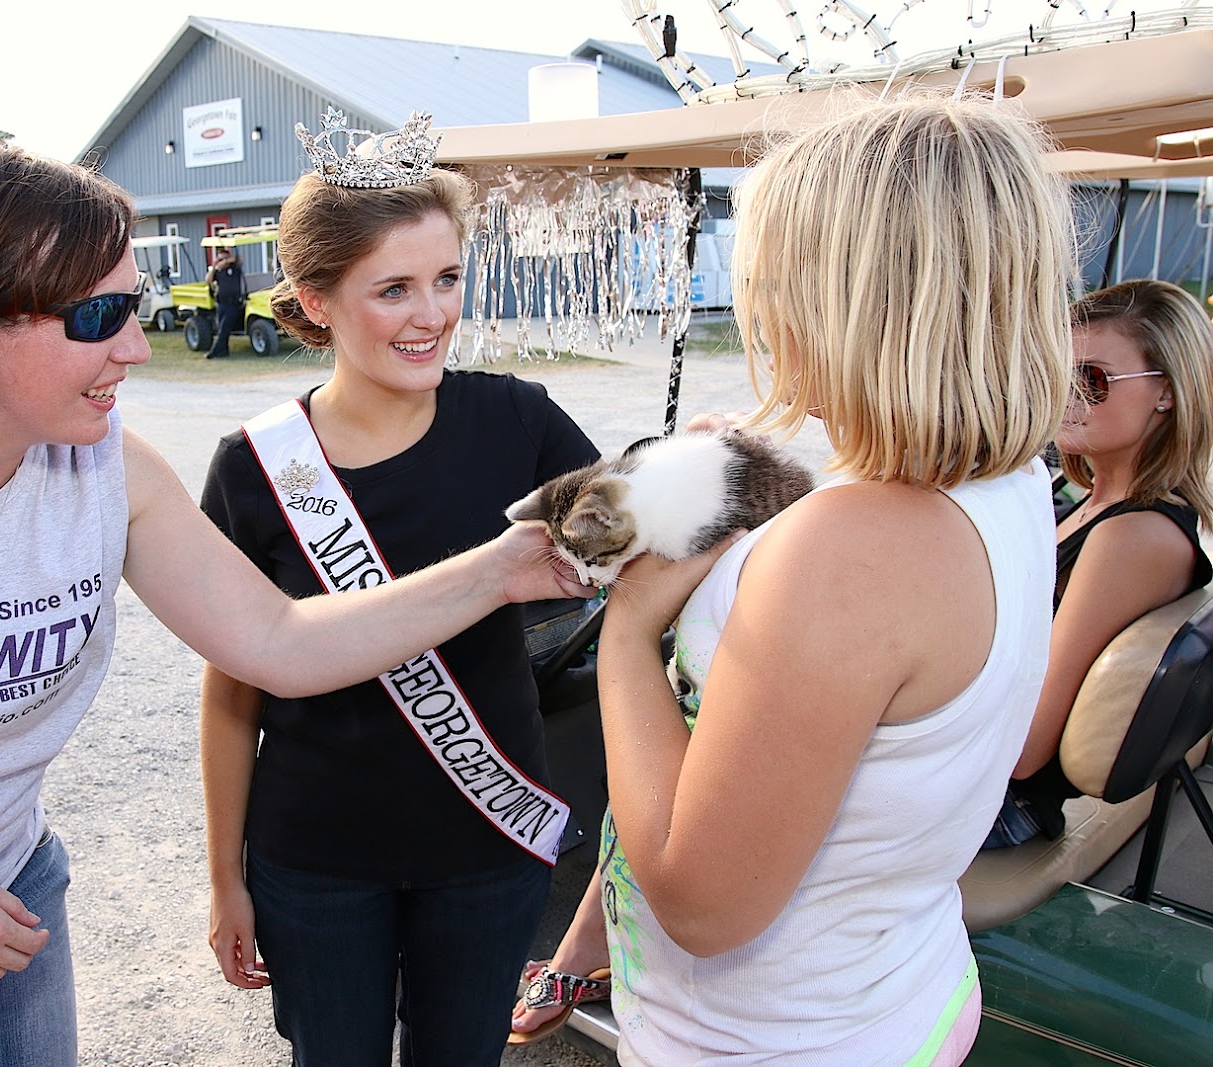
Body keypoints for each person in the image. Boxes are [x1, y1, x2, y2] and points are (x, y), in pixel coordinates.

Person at [0, 139, 589, 1067]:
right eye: (93, 318)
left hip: (1, 896)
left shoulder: (107, 465)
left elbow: (275, 641)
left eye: (133, 305)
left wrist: (499, 569)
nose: (135, 346)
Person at [511, 93, 1076, 1065]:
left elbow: (701, 899)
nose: (764, 312)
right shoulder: (1005, 481)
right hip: (895, 992)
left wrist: (629, 636)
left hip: (770, 1040)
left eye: (777, 281)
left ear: (851, 297)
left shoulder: (850, 549)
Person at [197, 112, 601, 1067]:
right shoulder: (258, 469)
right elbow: (228, 693)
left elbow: (639, 547)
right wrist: (225, 880)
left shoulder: (518, 421)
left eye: (448, 279)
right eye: (394, 289)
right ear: (317, 298)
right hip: (318, 860)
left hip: (487, 846)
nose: (433, 314)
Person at [985, 278, 1213, 847]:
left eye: (1091, 378)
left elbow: (1027, 746)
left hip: (996, 803)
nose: (1065, 395)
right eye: (1054, 372)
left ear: (1167, 391)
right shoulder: (1092, 501)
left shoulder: (1133, 536)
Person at [205, 246, 245, 359]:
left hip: (233, 303)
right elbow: (208, 280)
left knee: (224, 328)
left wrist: (226, 261)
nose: (222, 262)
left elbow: (240, 259)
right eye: (220, 259)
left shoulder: (235, 268)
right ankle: (224, 351)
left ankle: (214, 352)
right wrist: (214, 266)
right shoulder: (218, 272)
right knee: (221, 329)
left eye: (224, 259)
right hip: (221, 303)